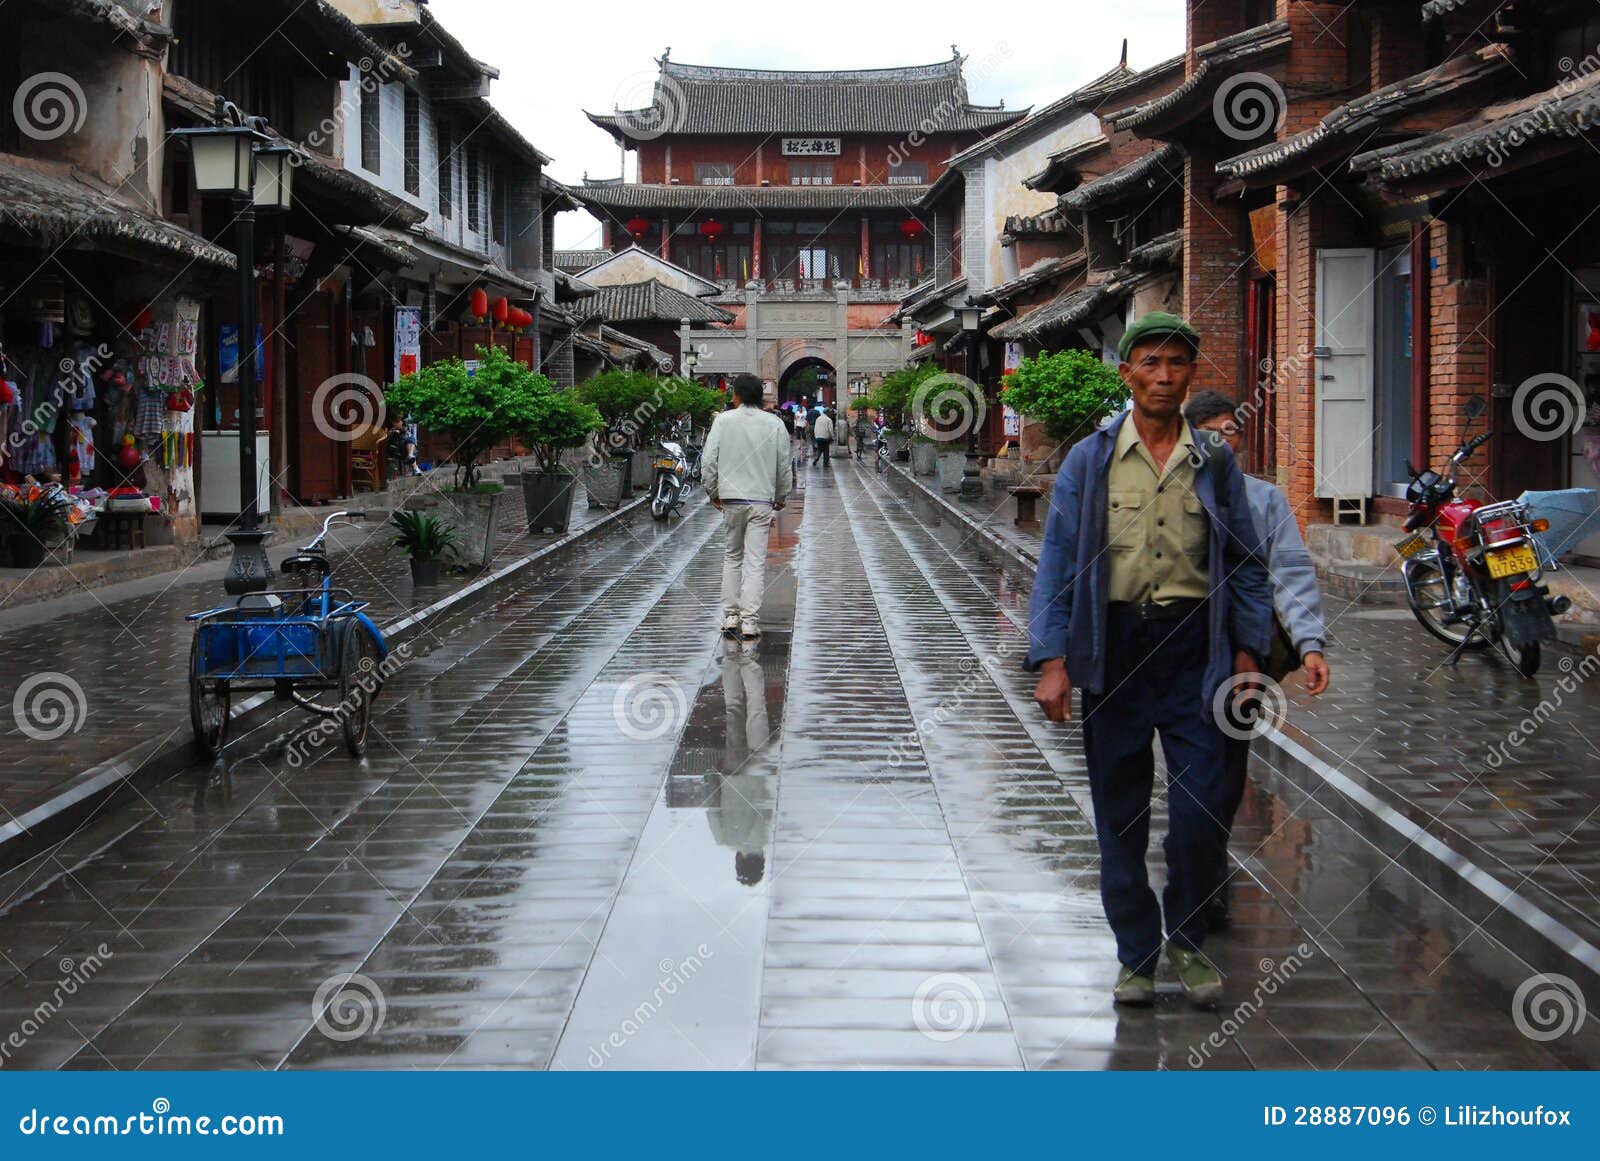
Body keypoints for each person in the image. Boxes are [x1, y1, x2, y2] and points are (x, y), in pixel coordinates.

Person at [1027, 311, 1273, 1008]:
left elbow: (1247, 564)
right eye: (1150, 363)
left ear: (1192, 373)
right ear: (1127, 372)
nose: (1163, 377)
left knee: (1202, 811)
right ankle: (1136, 955)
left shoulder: (1215, 461)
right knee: (1121, 813)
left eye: (1176, 364)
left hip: (1198, 650)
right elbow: (1057, 562)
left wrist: (1248, 652)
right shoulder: (1090, 460)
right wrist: (1052, 659)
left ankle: (1188, 940)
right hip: (1116, 649)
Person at [1182, 389, 1330, 926]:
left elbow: (1290, 571)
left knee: (1228, 758)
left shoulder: (1264, 499)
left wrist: (1309, 643)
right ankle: (1192, 861)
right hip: (1180, 652)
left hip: (1246, 654)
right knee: (1188, 761)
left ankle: (1210, 860)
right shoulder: (1168, 493)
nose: (1224, 441)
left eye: (1231, 431)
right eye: (1211, 433)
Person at [702, 373, 792, 639]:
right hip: (761, 500)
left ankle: (730, 616)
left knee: (732, 556)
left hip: (731, 498)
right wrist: (781, 495)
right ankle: (750, 621)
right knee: (755, 561)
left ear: (737, 395)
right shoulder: (775, 423)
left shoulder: (723, 421)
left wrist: (713, 491)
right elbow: (783, 464)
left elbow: (709, 460)